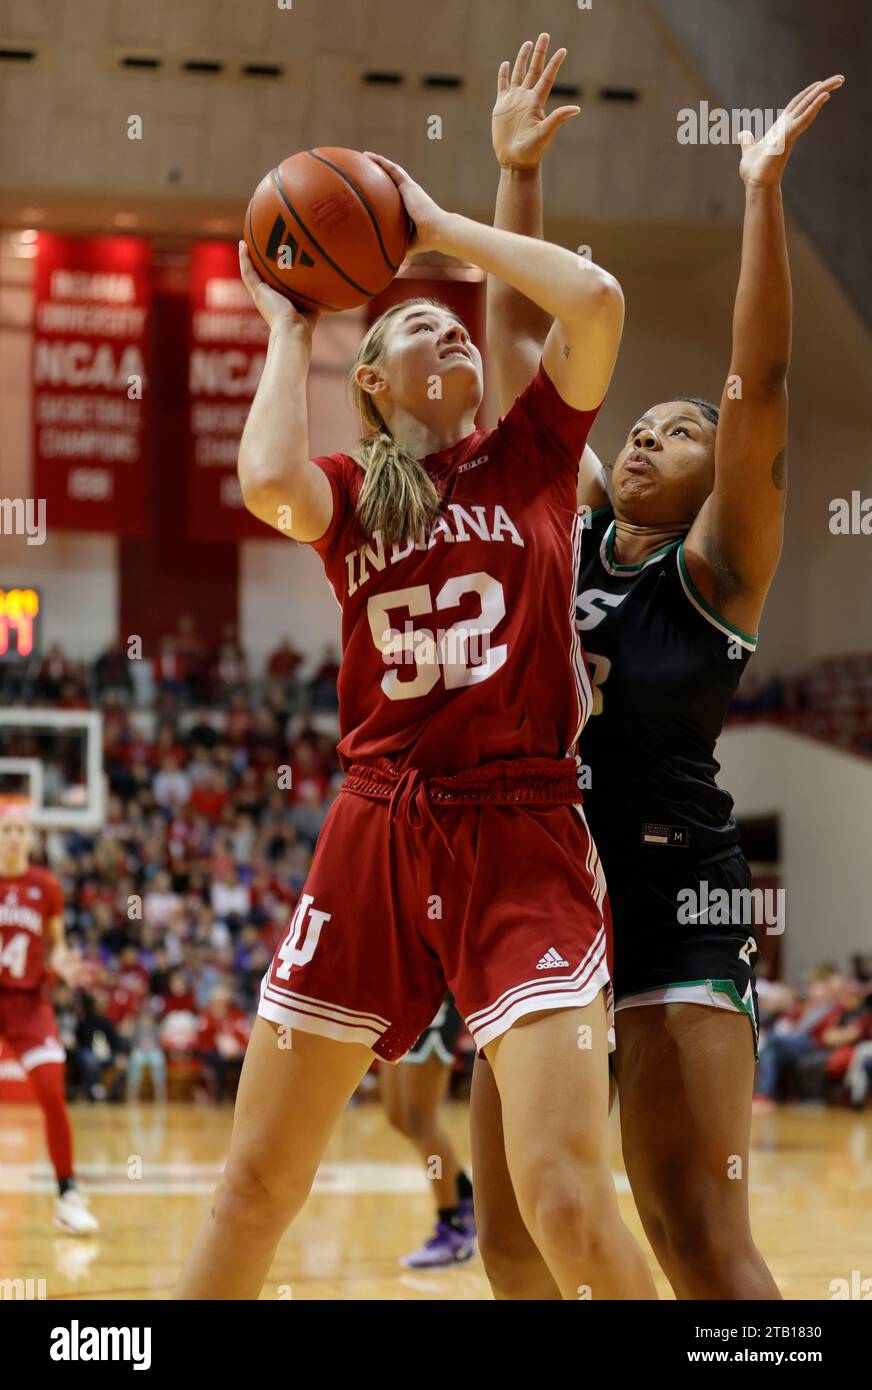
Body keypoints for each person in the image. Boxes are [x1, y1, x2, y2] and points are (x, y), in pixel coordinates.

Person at [176, 147, 656, 1300]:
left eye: (456, 329)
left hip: (522, 832)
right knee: (254, 1186)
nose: (448, 334)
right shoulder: (351, 492)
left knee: (561, 1197)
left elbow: (593, 301)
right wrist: (290, 326)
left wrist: (438, 227)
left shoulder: (534, 457)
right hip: (374, 831)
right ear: (376, 385)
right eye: (413, 333)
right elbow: (266, 481)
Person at [470, 33, 844, 1300]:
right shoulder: (562, 526)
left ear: (709, 479)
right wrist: (515, 177)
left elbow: (764, 384)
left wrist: (757, 193)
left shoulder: (719, 564)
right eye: (638, 423)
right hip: (546, 887)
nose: (647, 435)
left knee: (695, 1232)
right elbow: (518, 359)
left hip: (689, 891)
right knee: (515, 1229)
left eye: (680, 431)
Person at [0, 797, 99, 1234]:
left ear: (31, 838)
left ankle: (67, 1194)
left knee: (51, 1095)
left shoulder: (46, 886)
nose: (15, 836)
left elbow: (56, 944)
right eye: (7, 829)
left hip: (29, 1004)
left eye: (21, 829)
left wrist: (61, 961)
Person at [380, 994, 476, 1267]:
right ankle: (467, 1196)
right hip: (394, 990)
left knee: (420, 1117)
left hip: (429, 988)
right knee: (398, 1115)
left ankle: (453, 1229)